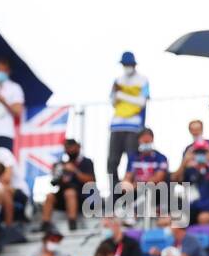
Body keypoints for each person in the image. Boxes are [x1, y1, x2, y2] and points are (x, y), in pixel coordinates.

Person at [107, 51, 150, 182]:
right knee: (112, 161)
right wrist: (116, 93)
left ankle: (128, 189)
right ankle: (114, 192)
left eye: (129, 64)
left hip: (134, 125)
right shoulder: (117, 80)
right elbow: (113, 102)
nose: (127, 67)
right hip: (117, 125)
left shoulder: (143, 80)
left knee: (132, 160)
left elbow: (142, 101)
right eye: (125, 64)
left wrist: (122, 95)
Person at [40, 138, 98, 232]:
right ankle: (45, 224)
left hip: (81, 197)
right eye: (67, 148)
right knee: (50, 196)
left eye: (71, 147)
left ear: (77, 147)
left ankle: (72, 223)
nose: (69, 150)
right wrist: (58, 174)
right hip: (63, 197)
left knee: (70, 193)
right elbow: (54, 183)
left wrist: (74, 171)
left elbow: (91, 181)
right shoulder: (62, 164)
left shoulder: (86, 162)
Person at [122, 127, 170, 223]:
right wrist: (126, 184)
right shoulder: (133, 157)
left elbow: (158, 177)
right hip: (137, 191)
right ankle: (131, 216)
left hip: (155, 191)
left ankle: (157, 213)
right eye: (143, 140)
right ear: (139, 141)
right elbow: (127, 176)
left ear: (152, 139)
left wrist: (140, 185)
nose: (146, 142)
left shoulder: (160, 157)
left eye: (148, 140)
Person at [175, 140, 209, 225]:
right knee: (176, 220)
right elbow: (175, 179)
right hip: (191, 208)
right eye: (197, 152)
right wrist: (184, 162)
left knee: (203, 218)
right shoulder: (190, 170)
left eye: (203, 152)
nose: (200, 154)